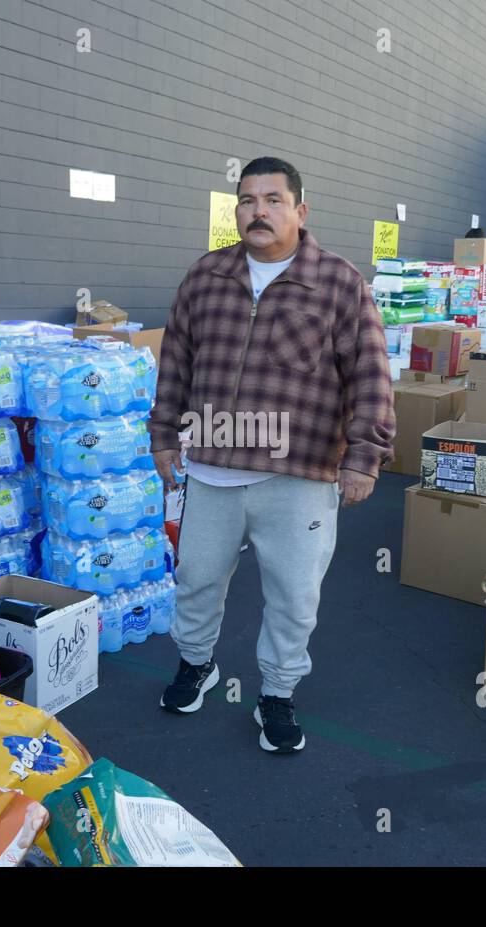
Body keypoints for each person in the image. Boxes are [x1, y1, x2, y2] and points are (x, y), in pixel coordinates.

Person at [148, 157, 396, 755]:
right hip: (210, 470)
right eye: (247, 200)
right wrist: (162, 435)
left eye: (273, 200)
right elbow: (176, 361)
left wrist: (364, 456)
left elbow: (369, 375)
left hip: (300, 476)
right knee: (197, 579)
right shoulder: (205, 277)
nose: (258, 211)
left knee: (292, 594)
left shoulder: (339, 283)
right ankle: (196, 665)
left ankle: (277, 695)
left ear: (299, 211)